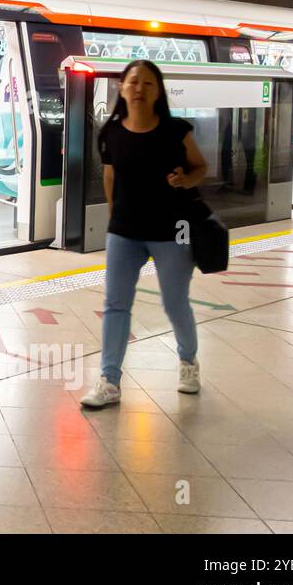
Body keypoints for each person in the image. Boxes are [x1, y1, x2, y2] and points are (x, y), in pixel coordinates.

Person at [81, 59, 209, 408]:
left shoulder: (175, 131)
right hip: (124, 233)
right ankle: (109, 380)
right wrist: (114, 219)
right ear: (122, 88)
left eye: (148, 83)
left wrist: (186, 179)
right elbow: (110, 178)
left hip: (173, 231)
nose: (139, 89)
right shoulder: (110, 133)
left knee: (175, 301)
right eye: (133, 82)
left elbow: (200, 167)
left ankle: (188, 362)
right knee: (115, 305)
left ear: (158, 92)